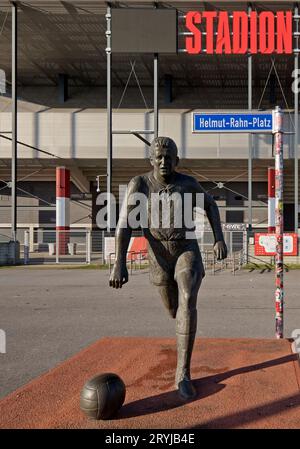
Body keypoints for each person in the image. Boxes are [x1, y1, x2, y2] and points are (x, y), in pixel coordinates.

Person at [109, 136, 227, 400]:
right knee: (174, 309)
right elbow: (125, 224)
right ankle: (181, 326)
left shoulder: (187, 184)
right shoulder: (139, 184)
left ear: (177, 160)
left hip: (186, 248)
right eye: (158, 156)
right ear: (151, 159)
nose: (164, 161)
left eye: (169, 157)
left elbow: (210, 204)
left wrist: (218, 237)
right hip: (158, 255)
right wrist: (119, 262)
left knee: (187, 299)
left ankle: (183, 373)